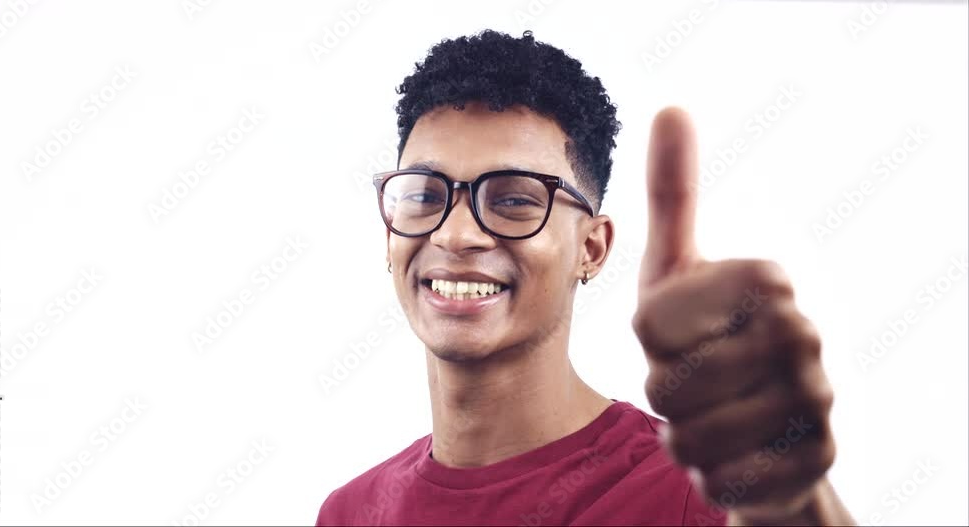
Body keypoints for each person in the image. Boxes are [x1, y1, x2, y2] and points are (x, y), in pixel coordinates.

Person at [317, 29, 854, 526]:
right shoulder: (351, 511)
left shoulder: (692, 494)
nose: (455, 236)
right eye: (424, 195)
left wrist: (788, 496)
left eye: (513, 199)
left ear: (591, 248)